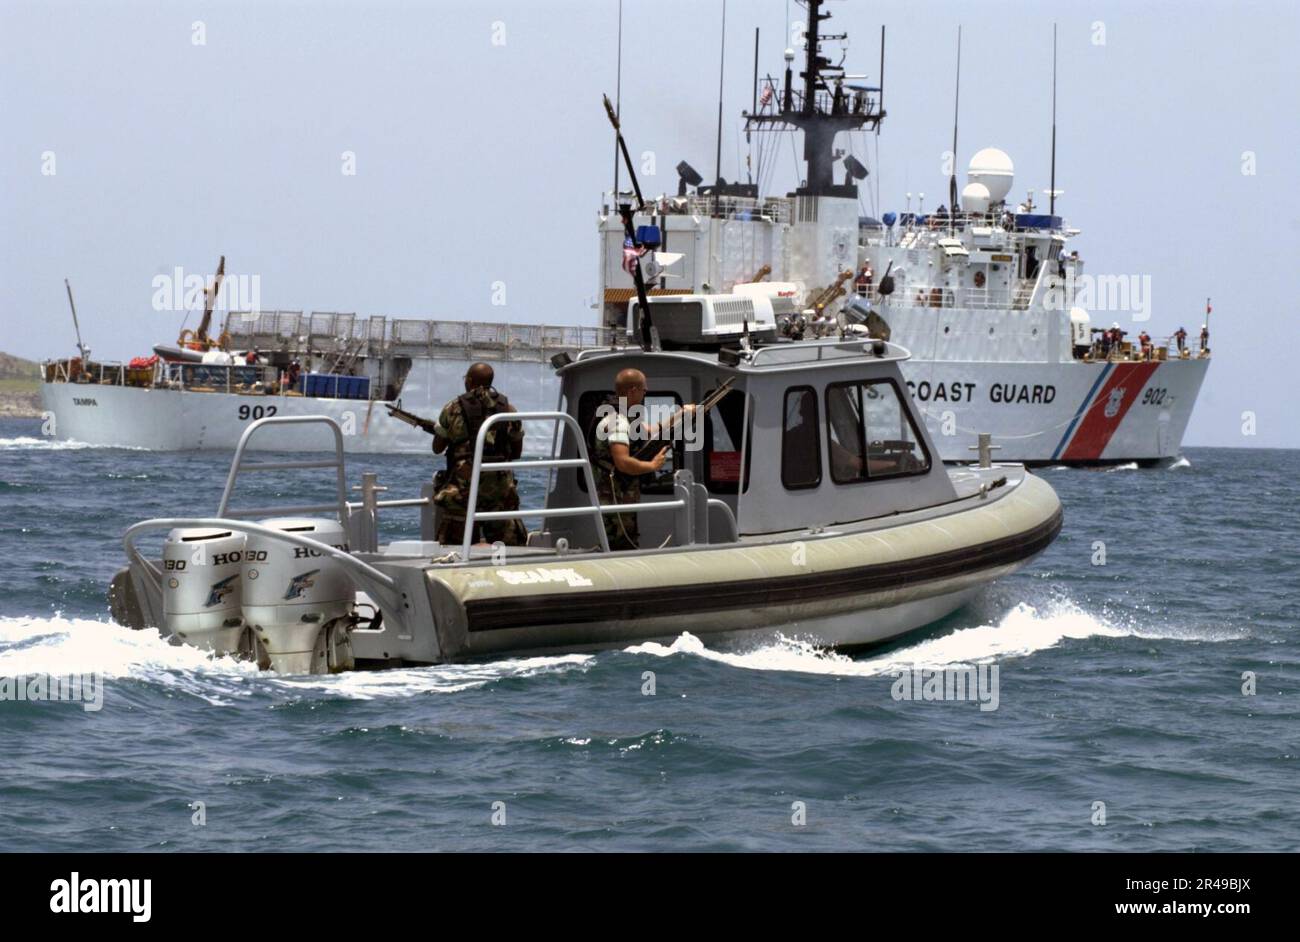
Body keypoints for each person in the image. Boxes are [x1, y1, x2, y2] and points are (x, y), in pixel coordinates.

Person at [588, 368, 694, 551]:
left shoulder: (622, 417)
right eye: (644, 390)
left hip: (620, 494)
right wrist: (652, 465)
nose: (645, 394)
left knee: (624, 537)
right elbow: (623, 462)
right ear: (632, 391)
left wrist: (681, 414)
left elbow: (652, 430)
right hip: (616, 494)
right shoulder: (617, 421)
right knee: (619, 541)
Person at [430, 362, 525, 548]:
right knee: (508, 548)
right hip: (500, 490)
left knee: (454, 546)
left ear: (470, 381)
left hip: (464, 490)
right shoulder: (509, 409)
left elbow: (437, 448)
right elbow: (517, 452)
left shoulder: (453, 407)